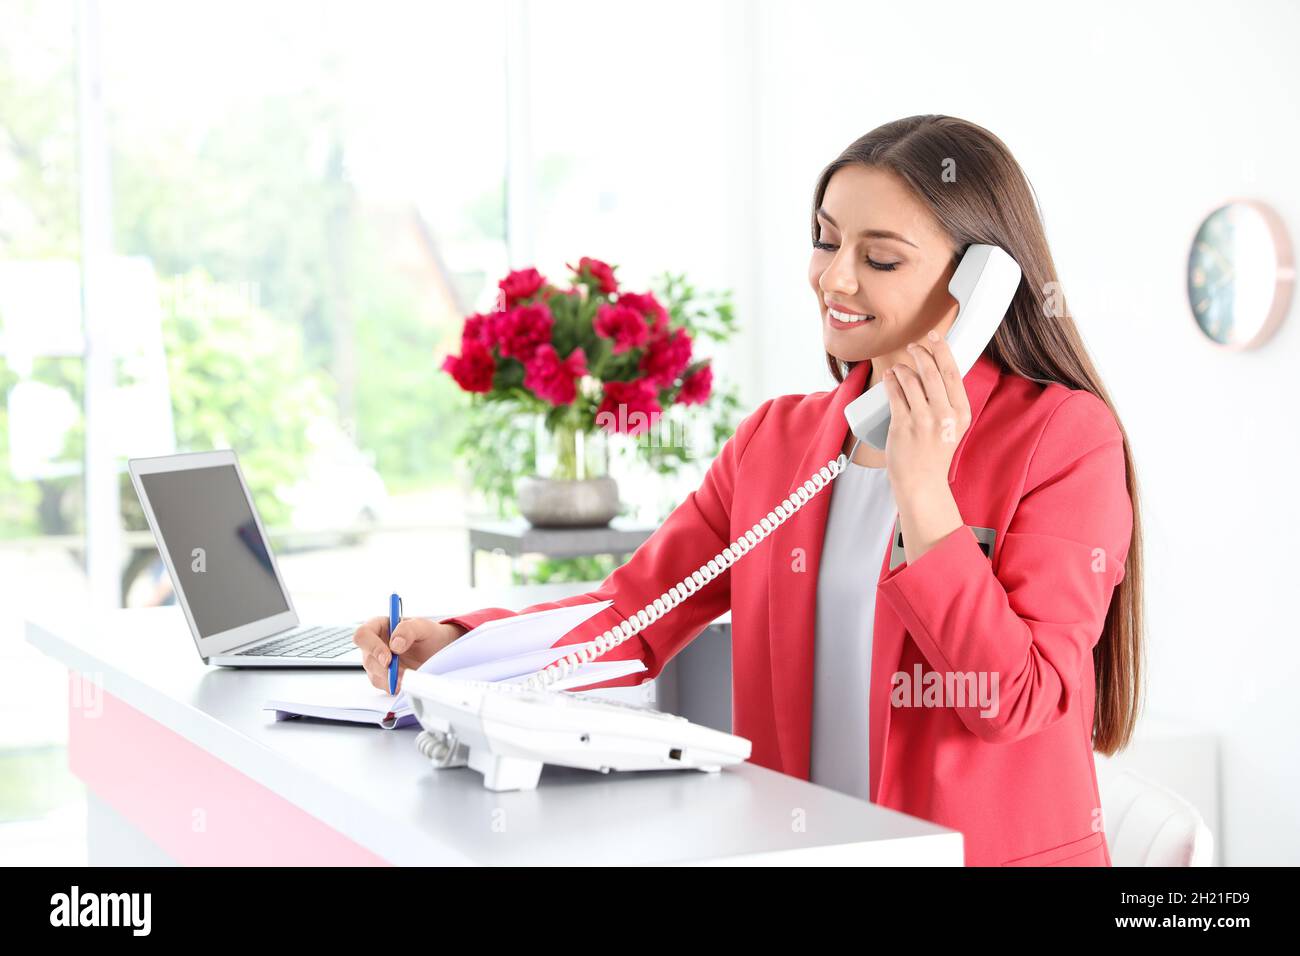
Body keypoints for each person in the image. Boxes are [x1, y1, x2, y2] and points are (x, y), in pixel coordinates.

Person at [352, 114, 1142, 867]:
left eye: (881, 258)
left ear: (980, 285)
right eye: (826, 241)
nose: (834, 277)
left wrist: (925, 494)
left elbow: (1015, 702)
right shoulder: (779, 441)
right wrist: (461, 644)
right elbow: (635, 613)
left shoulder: (1064, 439)